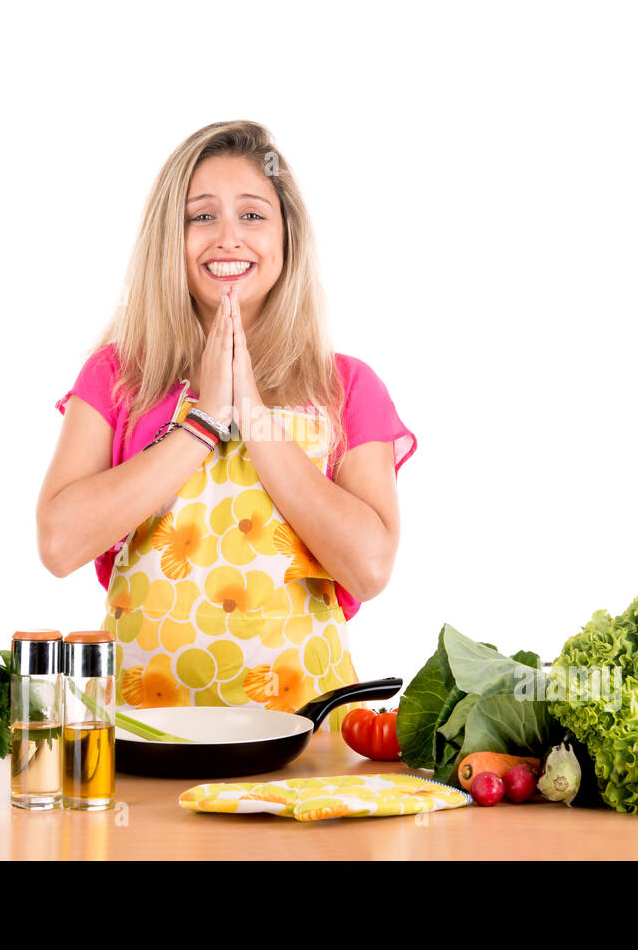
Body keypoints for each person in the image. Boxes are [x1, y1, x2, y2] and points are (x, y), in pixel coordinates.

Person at [36, 121, 415, 730]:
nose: (228, 238)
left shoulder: (346, 387)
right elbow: (59, 544)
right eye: (201, 216)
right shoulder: (117, 376)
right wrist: (202, 424)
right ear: (171, 237)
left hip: (308, 744)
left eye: (253, 215)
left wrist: (257, 418)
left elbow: (369, 567)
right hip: (142, 741)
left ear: (288, 235)